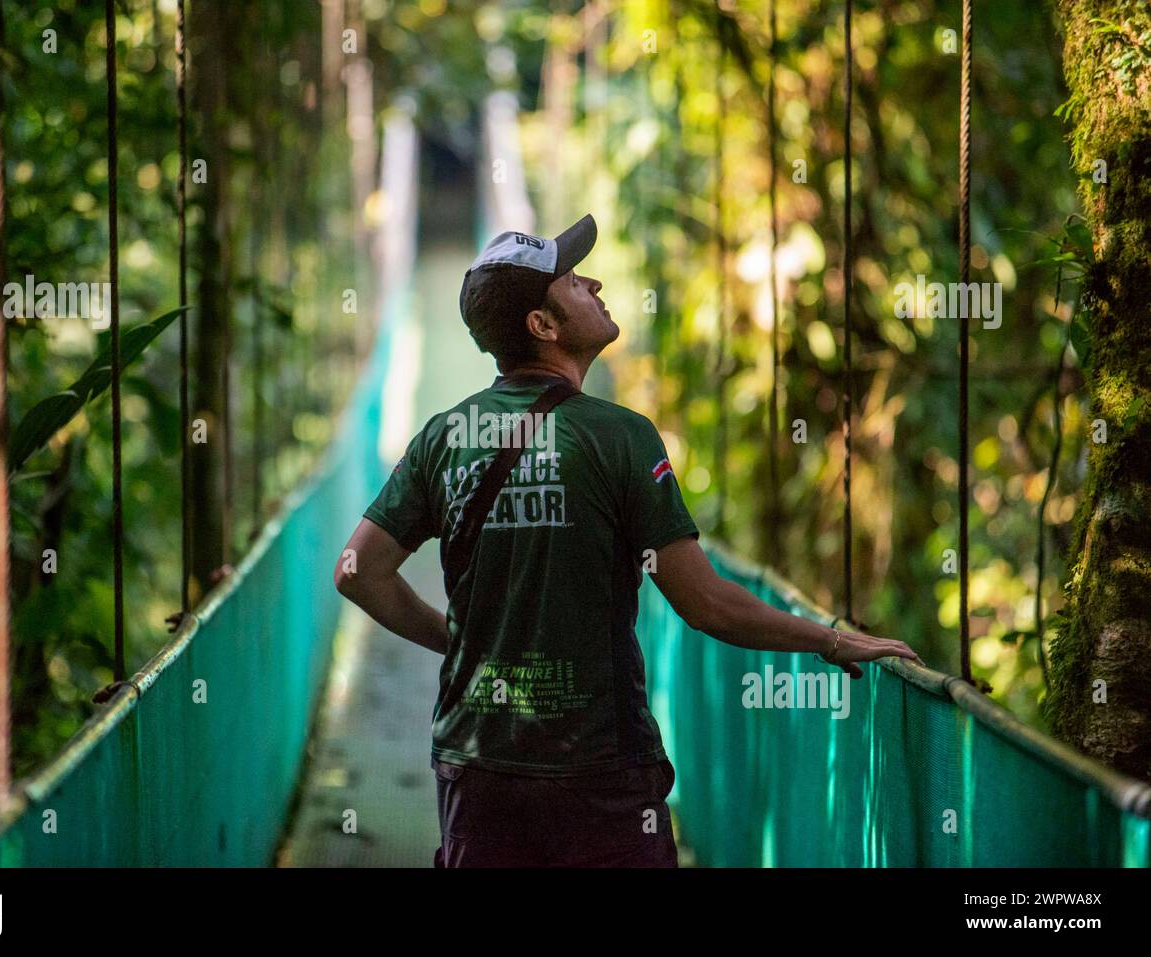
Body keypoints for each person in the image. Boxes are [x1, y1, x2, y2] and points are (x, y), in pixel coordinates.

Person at [334, 213, 921, 868]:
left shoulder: (442, 437)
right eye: (573, 279)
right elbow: (707, 604)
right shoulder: (620, 437)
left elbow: (358, 571)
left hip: (477, 766)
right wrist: (832, 638)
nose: (595, 280)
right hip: (601, 773)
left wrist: (456, 638)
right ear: (543, 325)